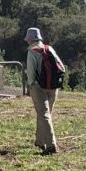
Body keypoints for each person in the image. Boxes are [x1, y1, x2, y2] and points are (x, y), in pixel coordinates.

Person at [23, 27, 65, 155]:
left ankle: (51, 145)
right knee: (46, 114)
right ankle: (40, 141)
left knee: (43, 114)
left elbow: (30, 73)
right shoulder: (49, 48)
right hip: (53, 86)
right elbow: (61, 67)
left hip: (39, 87)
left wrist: (31, 86)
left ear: (30, 39)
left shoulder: (32, 51)